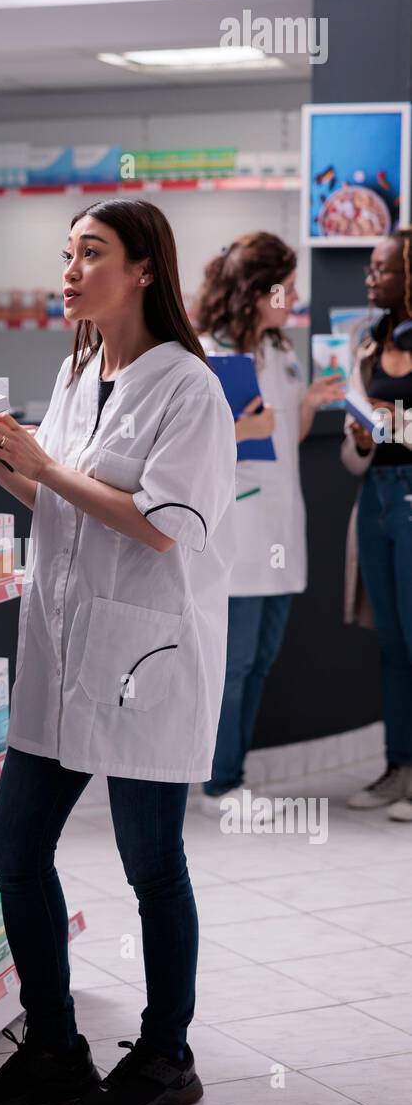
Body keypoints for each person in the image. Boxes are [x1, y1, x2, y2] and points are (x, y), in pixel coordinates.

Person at [0, 198, 237, 1105]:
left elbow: (158, 527)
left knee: (151, 862)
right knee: (16, 847)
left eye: (92, 254)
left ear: (145, 268)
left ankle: (165, 1056)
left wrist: (45, 463)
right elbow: (61, 505)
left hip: (144, 653)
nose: (70, 272)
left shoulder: (186, 387)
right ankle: (57, 1047)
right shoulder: (81, 371)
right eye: (66, 255)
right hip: (64, 648)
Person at [192, 233, 344, 812]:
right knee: (233, 665)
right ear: (257, 291)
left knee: (261, 659)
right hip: (237, 531)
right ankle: (219, 784)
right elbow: (189, 448)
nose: (296, 294)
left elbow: (283, 440)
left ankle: (234, 775)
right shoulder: (206, 355)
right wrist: (240, 432)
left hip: (281, 528)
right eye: (288, 284)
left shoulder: (280, 350)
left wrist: (306, 407)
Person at [342, 228, 412, 820]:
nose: (371, 279)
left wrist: (400, 424)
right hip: (378, 498)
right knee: (391, 644)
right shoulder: (367, 341)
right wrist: (365, 436)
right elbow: (353, 453)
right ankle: (398, 770)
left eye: (382, 269)